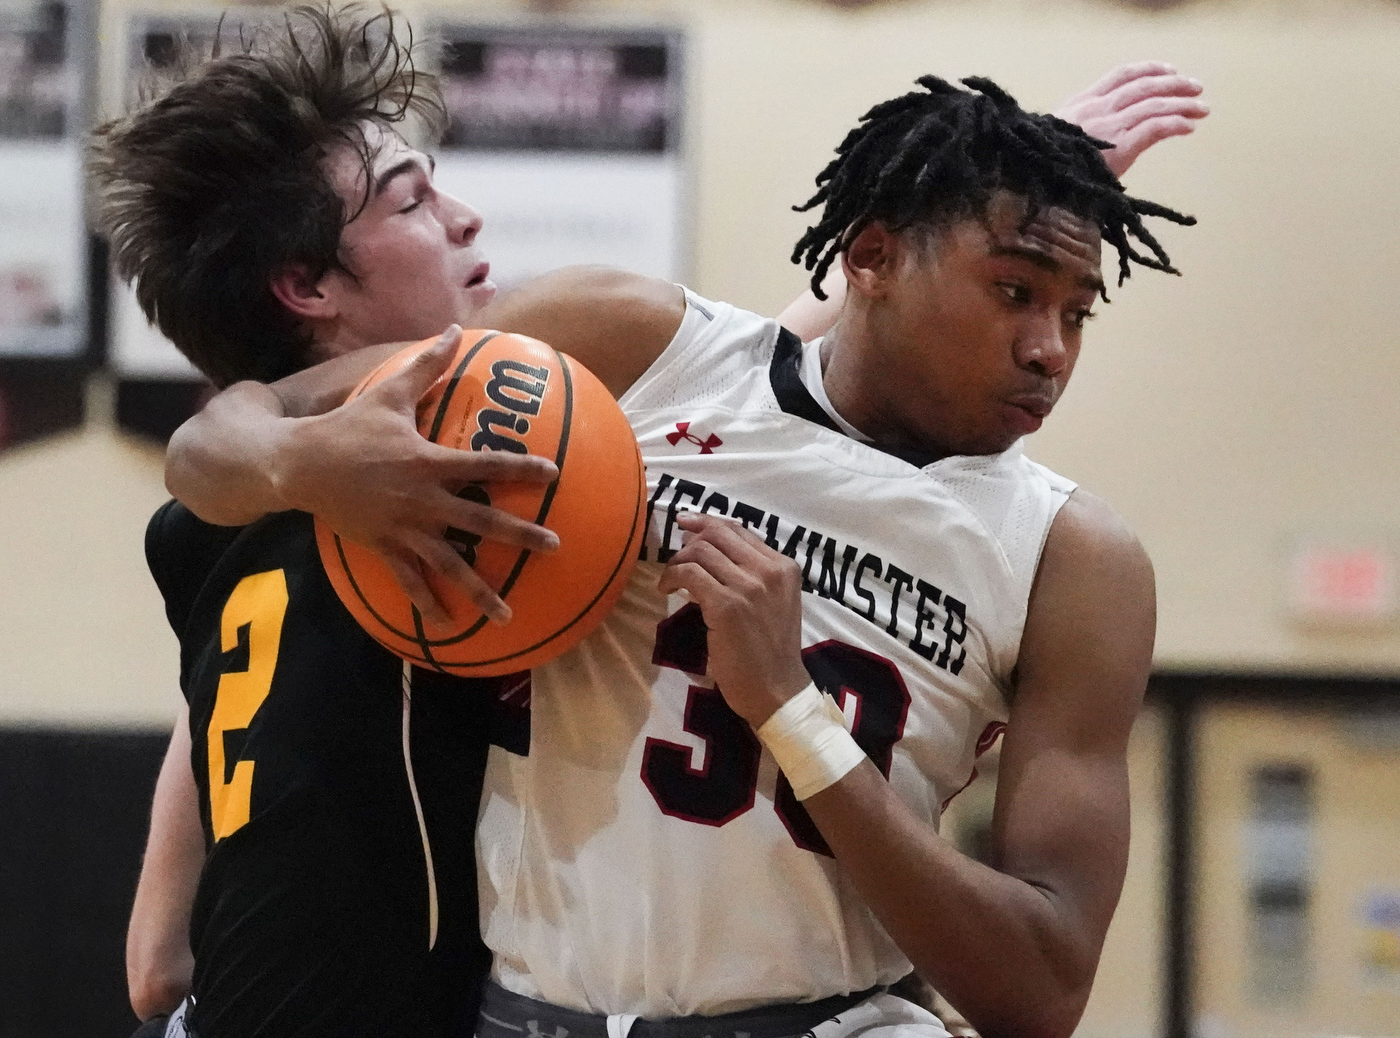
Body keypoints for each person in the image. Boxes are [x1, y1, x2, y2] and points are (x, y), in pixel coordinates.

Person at [94, 6, 1206, 1037]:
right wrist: (315, 462)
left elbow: (153, 958)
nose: (466, 214)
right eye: (412, 201)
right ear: (306, 285)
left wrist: (1005, 195)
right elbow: (756, 380)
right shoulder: (417, 468)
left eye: (1074, 311)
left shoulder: (214, 536)